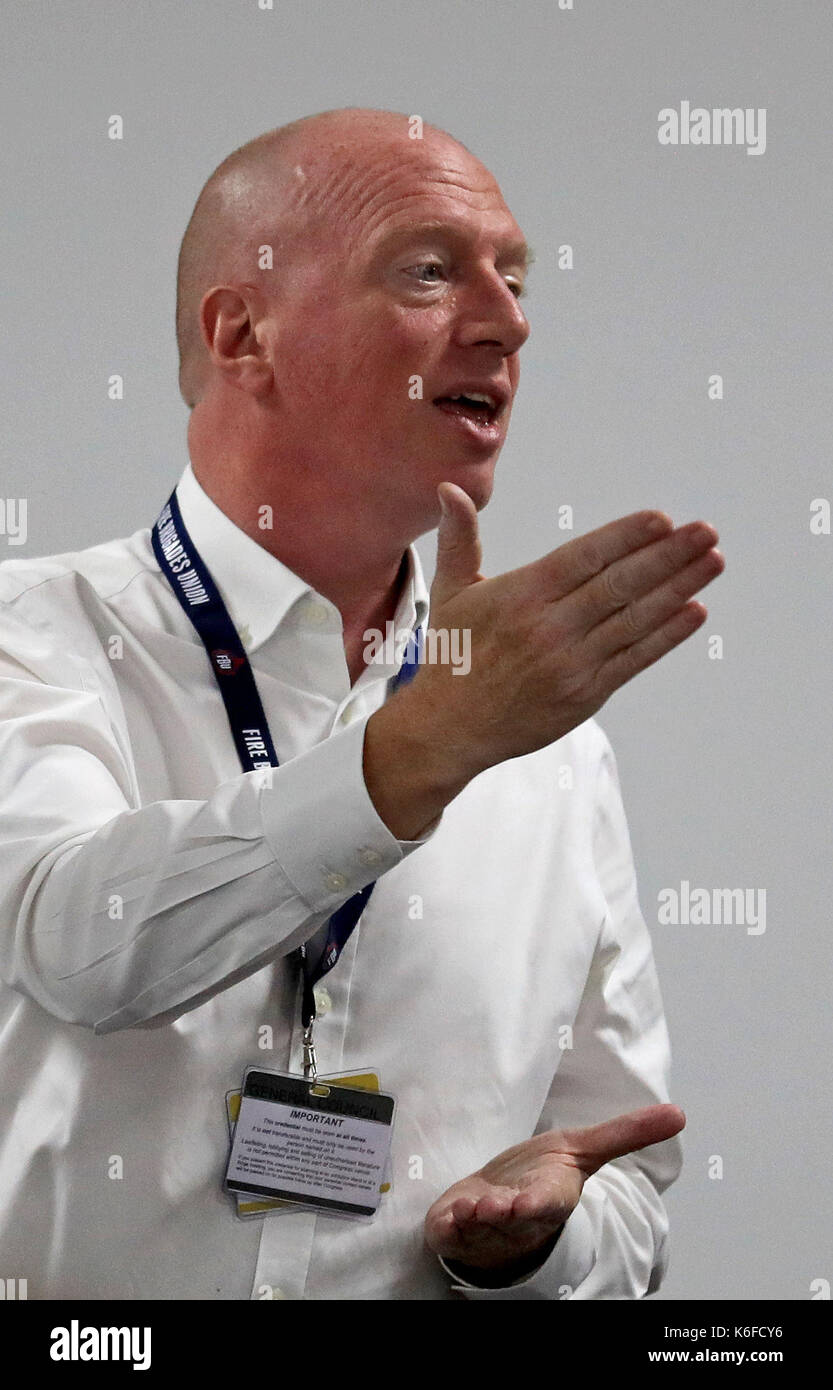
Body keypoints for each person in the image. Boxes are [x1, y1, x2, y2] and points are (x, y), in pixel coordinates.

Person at [0, 107, 723, 1300]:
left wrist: (543, 1242)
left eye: (513, 277)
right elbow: (80, 943)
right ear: (242, 334)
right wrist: (412, 757)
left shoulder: (550, 748)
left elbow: (628, 1186)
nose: (506, 319)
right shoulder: (35, 634)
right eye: (430, 271)